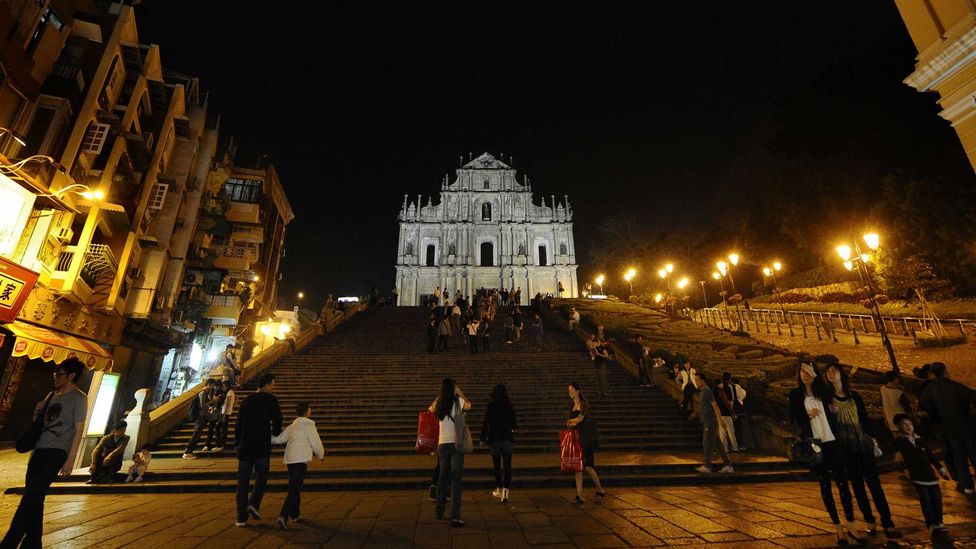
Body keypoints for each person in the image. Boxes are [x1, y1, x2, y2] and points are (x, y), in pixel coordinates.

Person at [1, 359, 87, 547]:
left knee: (31, 497)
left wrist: (71, 459)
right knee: (35, 497)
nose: (55, 377)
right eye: (55, 374)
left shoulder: (79, 398)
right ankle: (32, 542)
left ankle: (9, 542)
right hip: (39, 450)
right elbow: (40, 424)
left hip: (57, 452)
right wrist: (37, 411)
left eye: (60, 374)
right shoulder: (51, 396)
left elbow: (79, 429)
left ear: (71, 376)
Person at [789, 362, 863, 545]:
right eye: (802, 372)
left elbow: (832, 401)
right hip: (815, 445)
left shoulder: (823, 391)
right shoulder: (796, 395)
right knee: (825, 486)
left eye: (808, 372)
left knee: (843, 483)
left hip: (832, 441)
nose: (805, 375)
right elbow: (793, 417)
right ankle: (838, 528)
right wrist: (808, 414)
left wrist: (832, 408)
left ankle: (851, 525)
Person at [825, 363, 900, 539]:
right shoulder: (827, 400)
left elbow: (865, 419)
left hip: (863, 443)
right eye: (827, 372)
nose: (830, 374)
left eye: (833, 370)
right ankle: (869, 520)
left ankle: (887, 522)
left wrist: (872, 438)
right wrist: (831, 414)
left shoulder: (854, 396)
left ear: (841, 374)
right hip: (845, 447)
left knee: (875, 484)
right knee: (857, 486)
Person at [918, 362, 976, 495]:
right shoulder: (954, 386)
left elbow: (923, 403)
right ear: (945, 371)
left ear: (933, 373)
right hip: (965, 425)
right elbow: (972, 396)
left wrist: (935, 413)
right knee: (973, 454)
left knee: (959, 457)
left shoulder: (930, 389)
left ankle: (968, 487)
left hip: (949, 428)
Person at [892, 414, 951, 541]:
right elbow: (898, 455)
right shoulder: (900, 442)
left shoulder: (920, 440)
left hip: (931, 476)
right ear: (899, 427)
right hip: (918, 477)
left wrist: (941, 470)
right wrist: (899, 463)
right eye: (905, 424)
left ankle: (939, 522)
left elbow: (931, 456)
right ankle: (931, 525)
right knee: (926, 501)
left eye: (910, 424)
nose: (908, 426)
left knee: (936, 499)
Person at [234, 373, 283, 527]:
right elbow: (278, 419)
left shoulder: (247, 401)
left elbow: (238, 424)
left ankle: (241, 517)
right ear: (266, 385)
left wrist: (238, 443)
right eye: (272, 384)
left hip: (245, 445)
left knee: (242, 482)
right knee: (262, 475)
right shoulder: (271, 399)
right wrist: (275, 433)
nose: (273, 387)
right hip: (262, 445)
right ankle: (253, 503)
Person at [271, 402, 325, 530]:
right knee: (295, 488)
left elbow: (279, 439)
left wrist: (268, 435)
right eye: (310, 409)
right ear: (307, 412)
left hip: (290, 459)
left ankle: (295, 513)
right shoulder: (309, 426)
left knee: (294, 485)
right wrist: (321, 455)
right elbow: (316, 442)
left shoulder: (292, 426)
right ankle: (283, 515)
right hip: (301, 459)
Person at [433, 379, 470, 527]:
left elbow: (430, 409)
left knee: (442, 477)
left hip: (442, 443)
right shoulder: (458, 401)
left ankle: (439, 510)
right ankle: (455, 516)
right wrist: (460, 393)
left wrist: (440, 396)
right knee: (456, 480)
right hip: (456, 443)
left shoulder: (439, 404)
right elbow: (469, 405)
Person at [566, 382, 605, 503]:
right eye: (569, 390)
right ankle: (579, 494)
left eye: (572, 389)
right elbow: (570, 422)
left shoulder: (584, 403)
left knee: (588, 467)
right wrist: (571, 422)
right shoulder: (572, 405)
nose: (570, 392)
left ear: (577, 391)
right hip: (577, 438)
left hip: (586, 438)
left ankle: (600, 490)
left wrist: (572, 421)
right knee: (578, 467)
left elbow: (580, 419)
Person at [481, 384, 517, 503]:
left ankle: (499, 488)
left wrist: (482, 438)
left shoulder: (491, 405)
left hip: (495, 439)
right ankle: (506, 491)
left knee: (497, 466)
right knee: (507, 466)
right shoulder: (508, 405)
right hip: (507, 439)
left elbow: (486, 423)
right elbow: (514, 422)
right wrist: (510, 429)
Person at [694, 372, 734, 474]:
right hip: (707, 421)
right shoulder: (702, 392)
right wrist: (697, 413)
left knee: (706, 443)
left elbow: (715, 405)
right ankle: (728, 465)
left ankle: (707, 466)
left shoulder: (707, 391)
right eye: (695, 379)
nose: (696, 381)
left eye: (698, 379)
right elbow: (705, 407)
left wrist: (720, 420)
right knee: (718, 445)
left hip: (710, 422)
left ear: (703, 380)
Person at [183, 379, 222, 459]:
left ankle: (189, 450)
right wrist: (213, 400)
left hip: (204, 415)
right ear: (208, 384)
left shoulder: (207, 393)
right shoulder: (203, 393)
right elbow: (202, 405)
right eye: (212, 385)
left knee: (198, 433)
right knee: (196, 433)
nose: (213, 387)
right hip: (201, 416)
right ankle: (188, 452)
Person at [879, 371, 911, 437]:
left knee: (898, 442)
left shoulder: (882, 390)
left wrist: (886, 418)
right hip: (902, 422)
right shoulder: (899, 393)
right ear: (895, 379)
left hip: (891, 422)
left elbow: (882, 405)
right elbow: (908, 408)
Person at [715, 373, 739, 453]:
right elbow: (730, 402)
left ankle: (725, 448)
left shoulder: (717, 391)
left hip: (721, 413)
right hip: (726, 413)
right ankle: (735, 447)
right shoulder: (728, 388)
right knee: (731, 431)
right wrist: (733, 413)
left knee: (722, 433)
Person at [213, 379, 237, 452]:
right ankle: (221, 444)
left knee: (219, 428)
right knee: (222, 429)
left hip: (225, 414)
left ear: (227, 386)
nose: (223, 387)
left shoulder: (230, 392)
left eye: (224, 386)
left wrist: (223, 415)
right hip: (224, 413)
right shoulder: (228, 392)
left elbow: (228, 404)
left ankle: (220, 445)